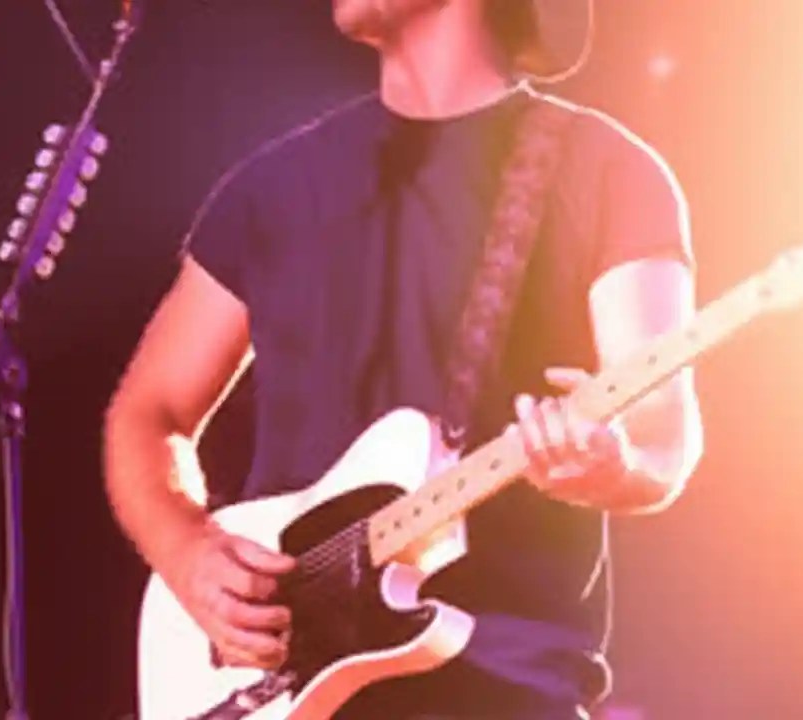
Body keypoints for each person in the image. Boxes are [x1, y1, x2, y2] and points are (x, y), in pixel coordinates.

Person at [103, 0, 703, 717]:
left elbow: (662, 430)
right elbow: (150, 411)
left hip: (499, 686)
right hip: (283, 683)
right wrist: (188, 552)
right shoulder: (271, 189)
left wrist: (614, 467)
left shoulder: (609, 170)